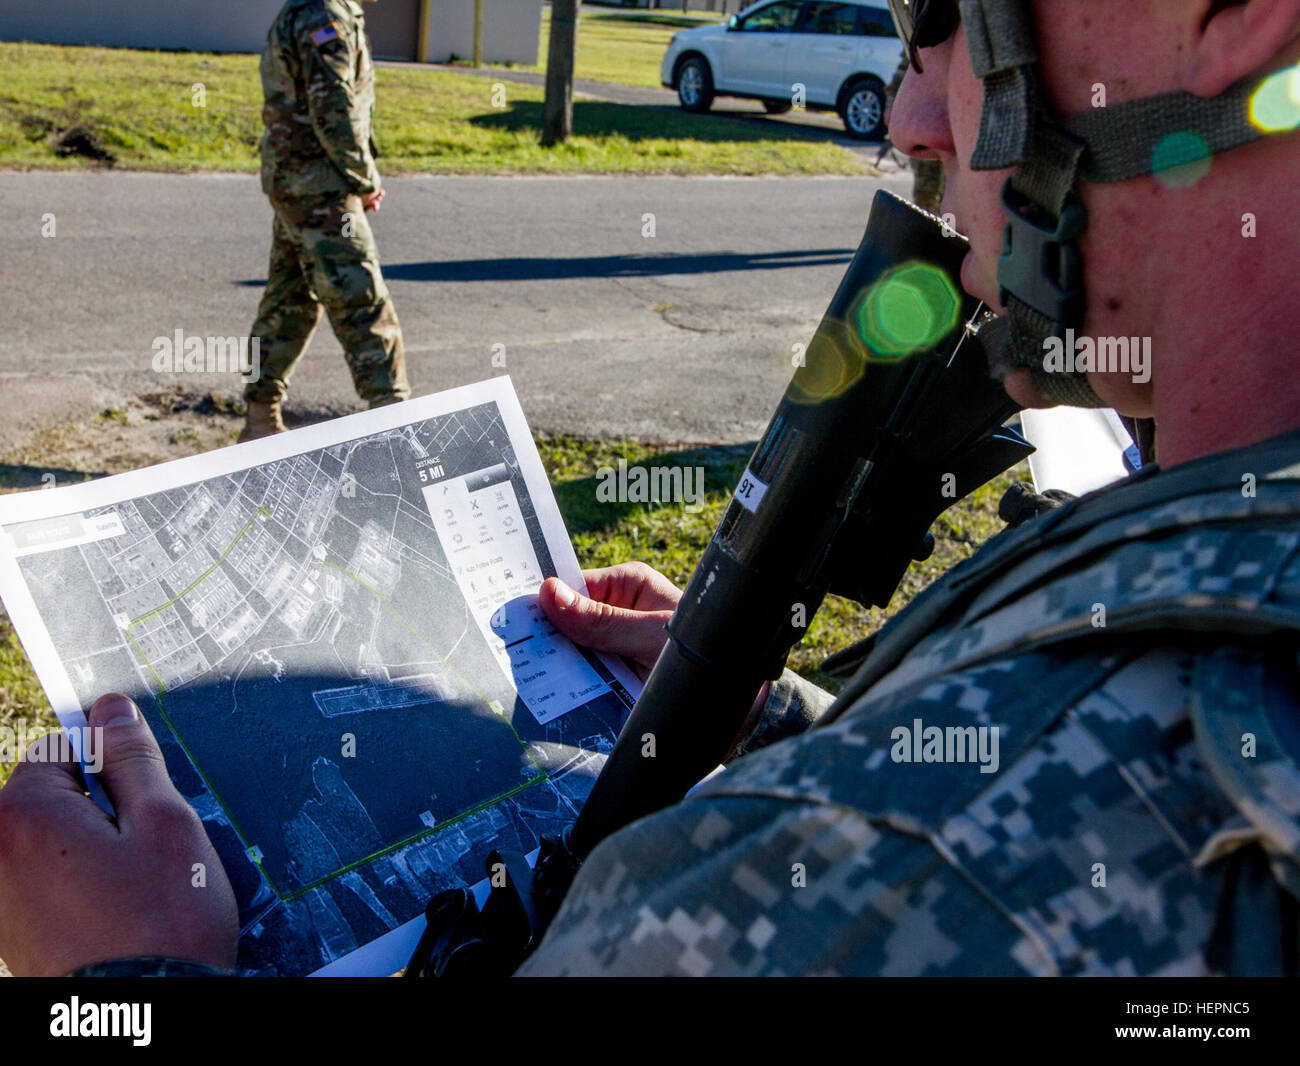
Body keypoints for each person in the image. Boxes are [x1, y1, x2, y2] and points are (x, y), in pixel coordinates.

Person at [1, 0, 1298, 976]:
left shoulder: (918, 860)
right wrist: (777, 734)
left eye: (953, 20)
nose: (914, 110)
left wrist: (132, 978)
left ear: (1247, 25)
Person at [240, 0, 410, 442]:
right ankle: (394, 420)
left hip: (300, 181)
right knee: (361, 297)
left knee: (291, 299)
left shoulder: (323, 10)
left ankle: (260, 420)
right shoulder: (323, 16)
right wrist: (363, 177)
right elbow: (333, 106)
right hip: (320, 187)